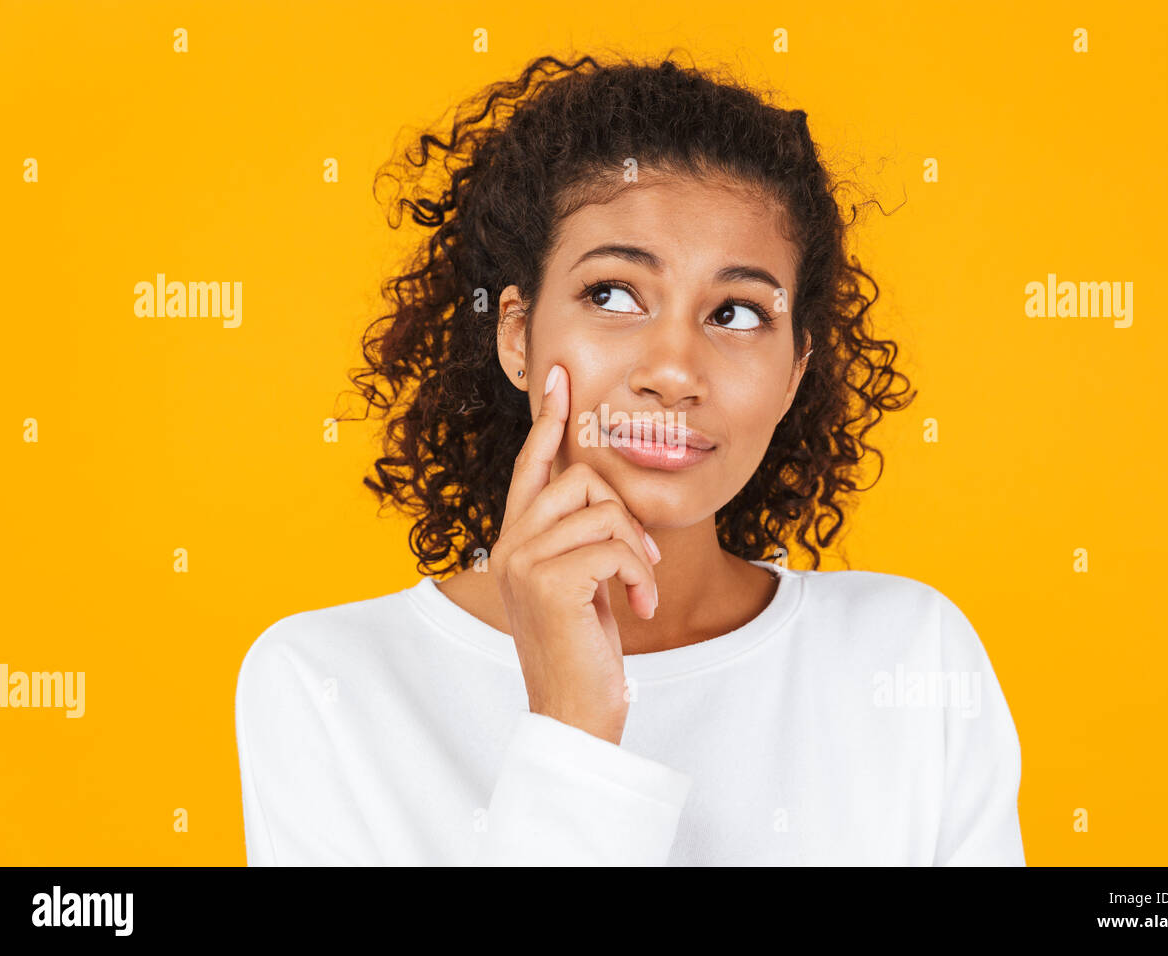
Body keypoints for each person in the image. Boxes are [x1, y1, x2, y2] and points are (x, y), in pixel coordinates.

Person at [235, 53, 1026, 866]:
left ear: (794, 372)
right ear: (517, 334)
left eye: (737, 312)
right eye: (612, 295)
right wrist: (572, 729)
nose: (675, 369)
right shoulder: (324, 685)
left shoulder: (910, 658)